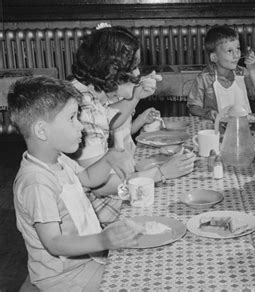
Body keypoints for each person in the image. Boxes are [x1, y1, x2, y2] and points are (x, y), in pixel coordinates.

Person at [8, 76, 144, 291]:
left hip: (88, 261)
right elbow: (53, 242)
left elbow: (88, 179)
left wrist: (108, 157)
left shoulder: (59, 159)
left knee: (141, 264)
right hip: (65, 278)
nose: (80, 125)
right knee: (135, 282)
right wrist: (102, 240)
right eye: (72, 118)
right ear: (42, 131)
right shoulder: (36, 182)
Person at [70, 24, 196, 222]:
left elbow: (111, 122)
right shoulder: (84, 105)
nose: (139, 74)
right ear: (112, 69)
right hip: (93, 213)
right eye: (134, 66)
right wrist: (159, 173)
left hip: (103, 199)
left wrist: (135, 95)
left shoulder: (89, 92)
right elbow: (102, 186)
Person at [187, 25, 255, 120]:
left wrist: (252, 69)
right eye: (229, 51)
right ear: (214, 57)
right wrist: (207, 113)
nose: (236, 55)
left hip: (243, 126)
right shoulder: (205, 78)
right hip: (215, 128)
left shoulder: (242, 73)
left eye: (237, 49)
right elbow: (193, 107)